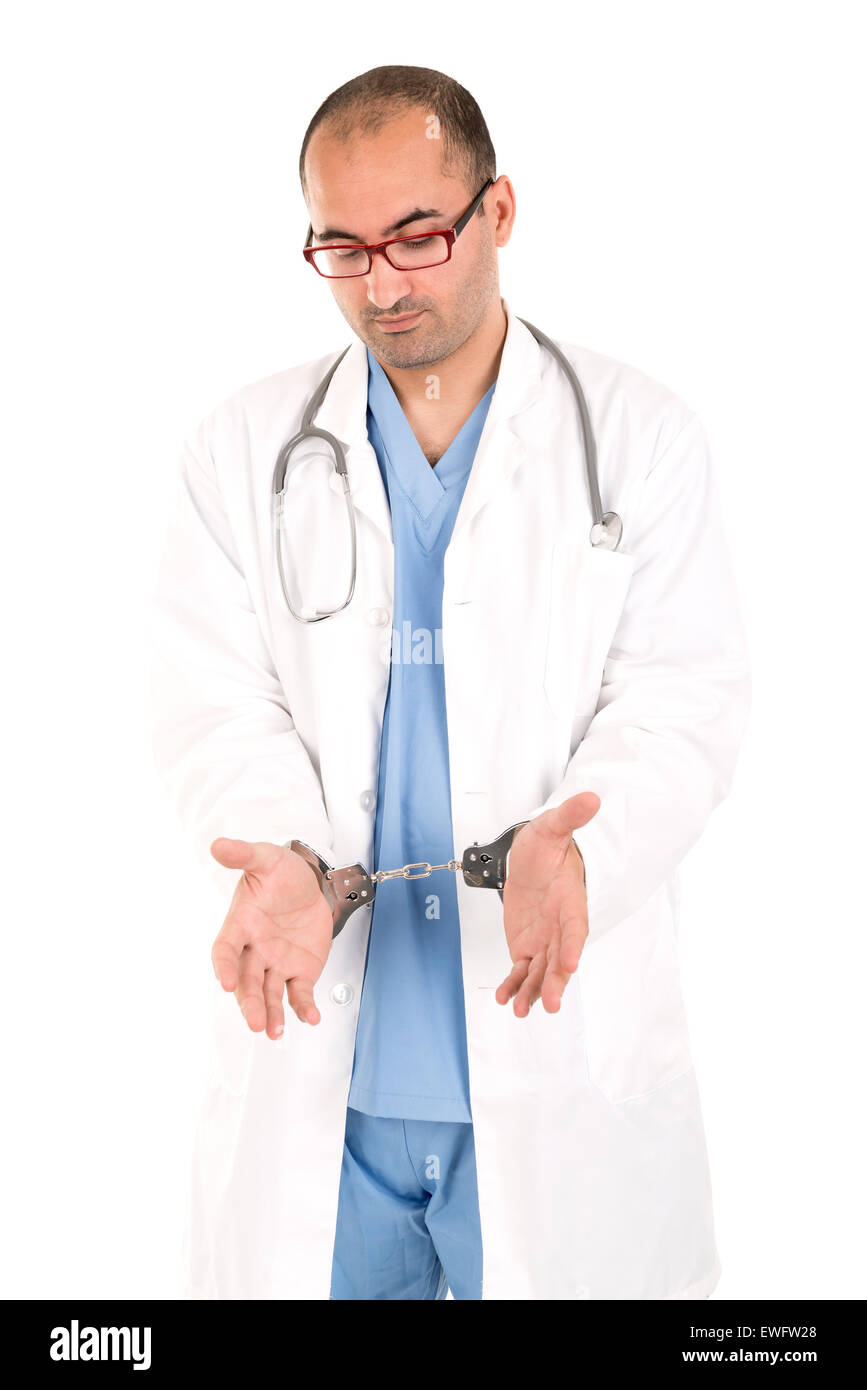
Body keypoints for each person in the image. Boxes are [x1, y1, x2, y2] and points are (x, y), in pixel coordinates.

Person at [150, 64, 751, 1301]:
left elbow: (681, 698)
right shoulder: (238, 449)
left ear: (500, 211)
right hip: (332, 1083)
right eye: (343, 247)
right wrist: (289, 856)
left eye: (417, 235)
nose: (382, 283)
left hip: (551, 1072)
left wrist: (589, 850)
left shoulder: (641, 439)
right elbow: (217, 699)